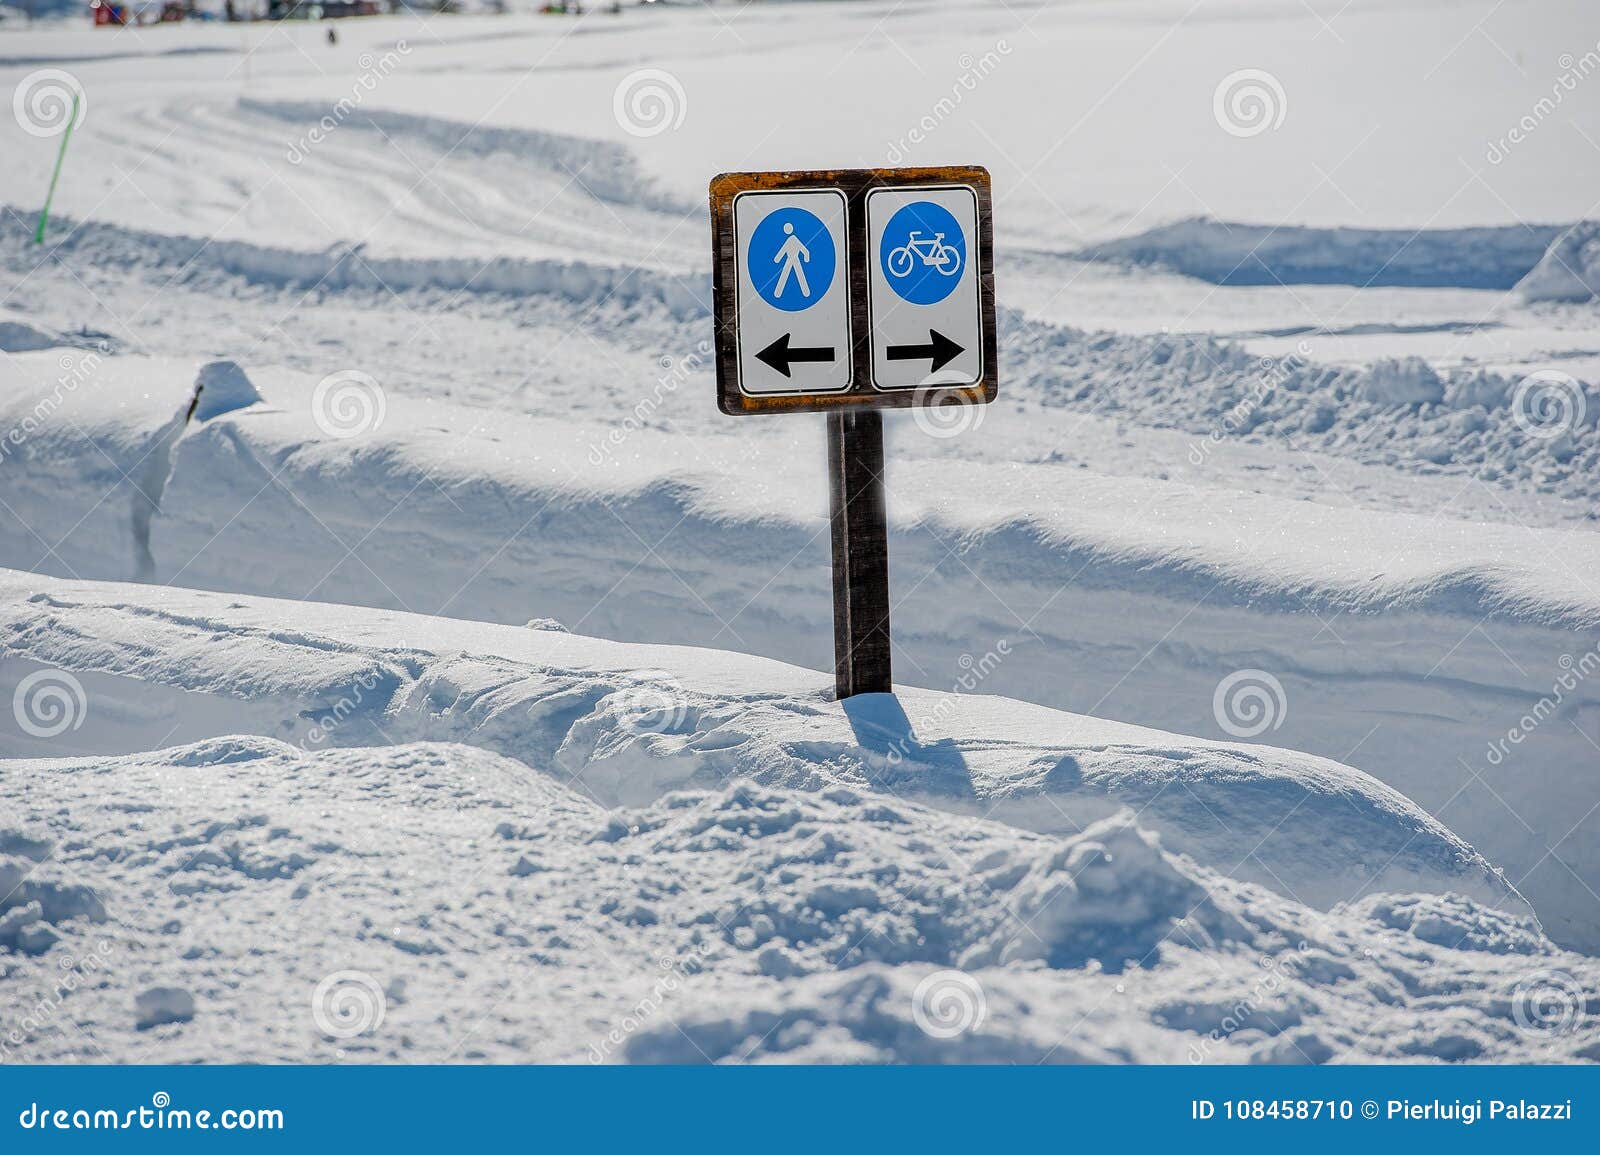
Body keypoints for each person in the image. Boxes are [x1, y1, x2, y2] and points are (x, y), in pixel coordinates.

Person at [773, 221, 811, 300]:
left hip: (794, 259)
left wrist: (806, 258)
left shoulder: (793, 239)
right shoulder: (791, 240)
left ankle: (806, 293)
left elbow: (805, 251)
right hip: (790, 259)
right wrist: (777, 259)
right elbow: (783, 250)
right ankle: (777, 294)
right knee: (786, 275)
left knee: (796, 275)